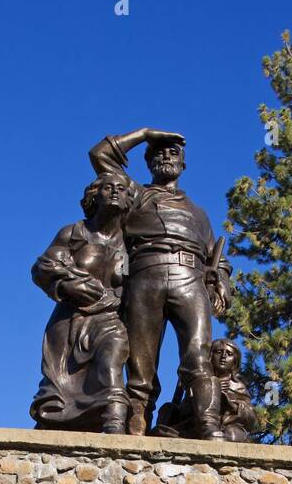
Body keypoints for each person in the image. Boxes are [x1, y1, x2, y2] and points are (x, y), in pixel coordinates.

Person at [88, 127, 232, 438]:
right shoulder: (134, 193)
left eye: (173, 152)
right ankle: (137, 424)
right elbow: (99, 154)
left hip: (190, 280)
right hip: (145, 276)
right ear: (149, 161)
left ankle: (208, 425)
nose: (166, 155)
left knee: (198, 356)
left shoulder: (199, 213)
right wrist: (145, 133)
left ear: (183, 165)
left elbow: (218, 260)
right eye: (159, 152)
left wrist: (221, 280)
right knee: (141, 363)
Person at [29, 174, 132, 434]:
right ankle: (52, 427)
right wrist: (65, 285)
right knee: (60, 387)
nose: (115, 192)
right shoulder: (75, 233)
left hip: (110, 318)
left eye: (121, 189)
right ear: (94, 196)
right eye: (108, 188)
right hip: (70, 320)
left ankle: (115, 427)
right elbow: (42, 269)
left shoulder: (131, 242)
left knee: (112, 361)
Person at [154, 338, 256, 442]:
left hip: (225, 425)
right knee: (167, 410)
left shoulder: (237, 386)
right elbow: (181, 408)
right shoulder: (198, 380)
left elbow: (251, 419)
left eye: (229, 354)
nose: (223, 357)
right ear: (211, 355)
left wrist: (230, 404)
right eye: (219, 352)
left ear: (235, 361)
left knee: (232, 435)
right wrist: (199, 397)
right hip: (193, 424)